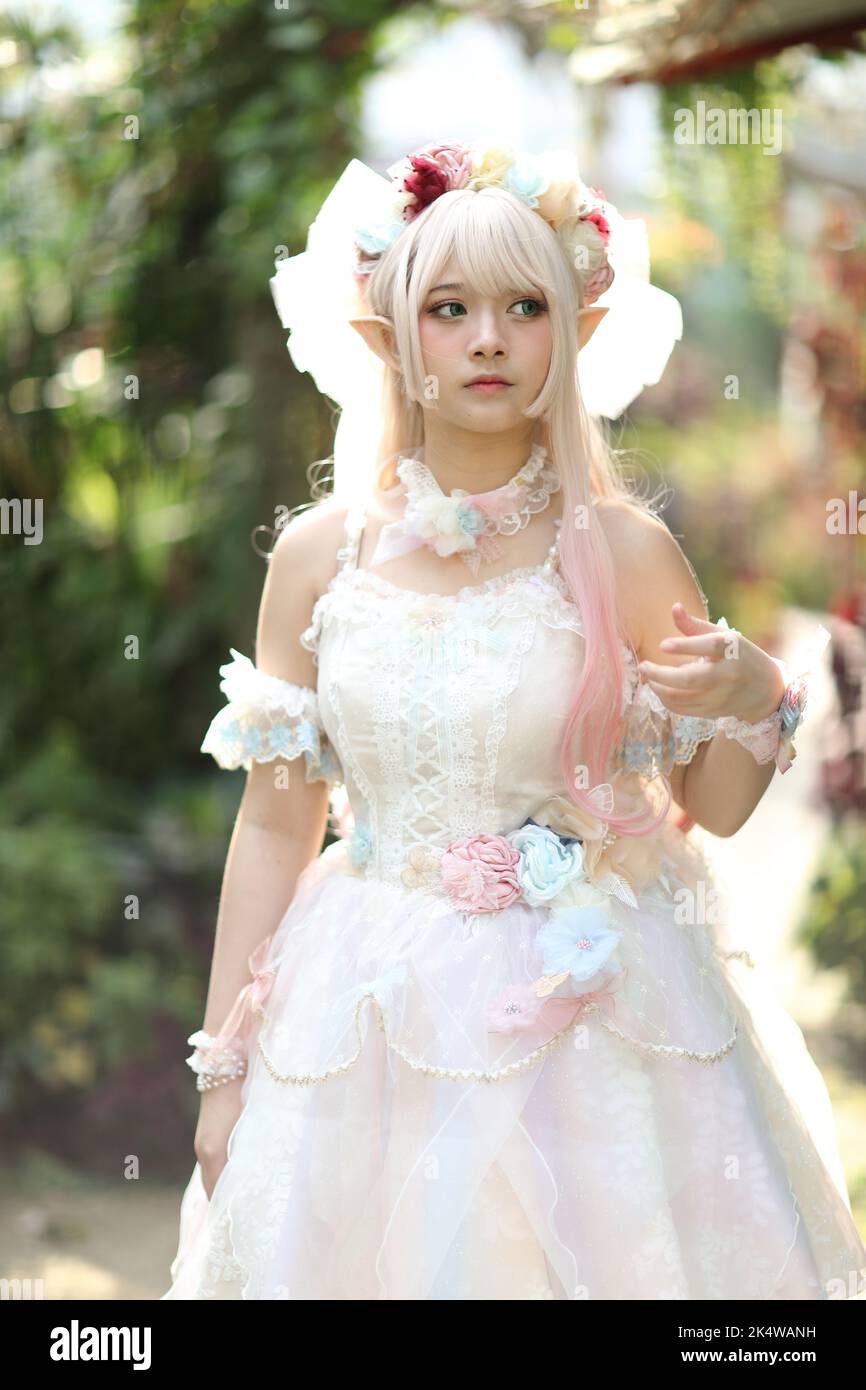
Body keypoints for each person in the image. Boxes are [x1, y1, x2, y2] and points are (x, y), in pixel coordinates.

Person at [161, 142, 865, 1300]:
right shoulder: (313, 558)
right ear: (392, 333)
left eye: (521, 305)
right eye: (449, 309)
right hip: (360, 1009)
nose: (486, 337)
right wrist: (223, 1069)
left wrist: (754, 699)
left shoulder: (624, 552)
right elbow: (275, 829)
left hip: (591, 1015)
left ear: (569, 332)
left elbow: (715, 810)